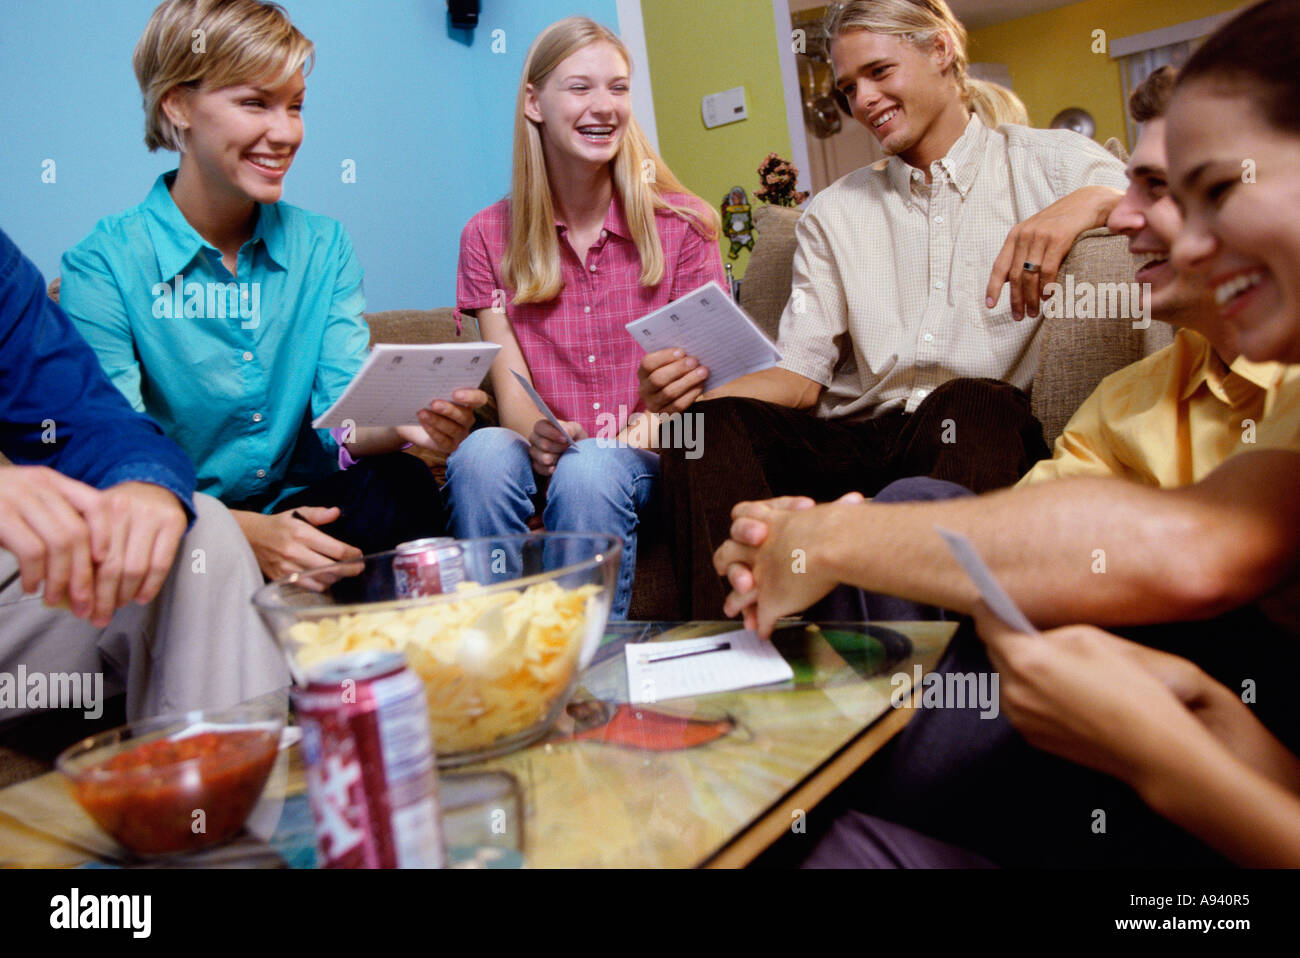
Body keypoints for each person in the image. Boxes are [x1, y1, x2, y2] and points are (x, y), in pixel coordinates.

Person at [723, 59, 1300, 866]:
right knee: (918, 510)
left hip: (1166, 780)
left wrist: (826, 543)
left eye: (1179, 190)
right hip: (1127, 705)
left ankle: (754, 782)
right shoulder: (1135, 397)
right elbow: (1012, 538)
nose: (1122, 219)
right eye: (1137, 188)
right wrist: (805, 534)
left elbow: (1194, 551)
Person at [639, 0, 1128, 618]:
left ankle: (937, 664)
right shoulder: (833, 212)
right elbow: (800, 376)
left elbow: (1154, 199)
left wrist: (1085, 202)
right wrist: (684, 407)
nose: (863, 100)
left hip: (973, 427)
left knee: (977, 400)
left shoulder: (1044, 161)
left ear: (940, 51)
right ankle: (745, 657)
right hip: (854, 436)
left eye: (879, 72)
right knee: (703, 429)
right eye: (848, 88)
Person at [59, 0, 487, 581]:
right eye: (254, 103)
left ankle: (405, 666)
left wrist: (408, 422)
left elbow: (346, 419)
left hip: (307, 510)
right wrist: (239, 534)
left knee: (401, 482)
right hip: (177, 521)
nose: (284, 133)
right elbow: (115, 456)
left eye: (295, 107)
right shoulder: (104, 264)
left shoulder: (324, 245)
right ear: (178, 105)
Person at [442, 16, 727, 619]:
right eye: (580, 88)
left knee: (592, 467)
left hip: (650, 459)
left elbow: (698, 395)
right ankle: (496, 658)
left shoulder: (684, 227)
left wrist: (622, 437)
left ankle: (583, 675)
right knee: (481, 454)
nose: (604, 107)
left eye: (618, 88)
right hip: (557, 458)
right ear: (533, 102)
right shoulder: (486, 237)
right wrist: (541, 437)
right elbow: (512, 391)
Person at [0, 226, 286, 723]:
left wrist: (143, 480)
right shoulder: (107, 257)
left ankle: (208, 799)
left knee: (200, 532)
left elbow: (82, 414)